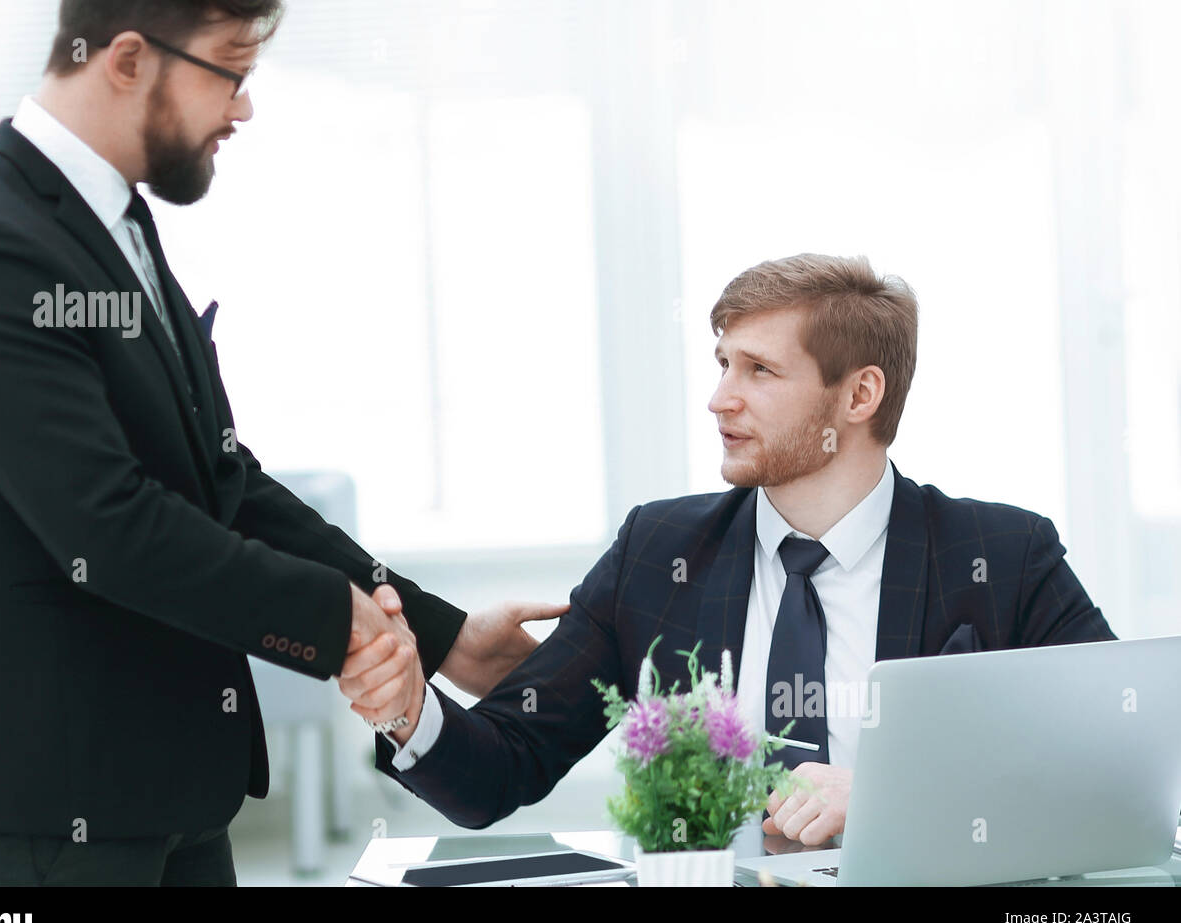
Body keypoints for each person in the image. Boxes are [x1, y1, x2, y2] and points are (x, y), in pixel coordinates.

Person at [0, 0, 562, 885]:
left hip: (166, 794)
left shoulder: (110, 223)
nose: (242, 109)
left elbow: (220, 481)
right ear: (127, 60)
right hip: (44, 810)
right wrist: (339, 622)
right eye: (231, 71)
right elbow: (110, 528)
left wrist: (446, 638)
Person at [370, 253, 1116, 846]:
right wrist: (406, 710)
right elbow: (504, 765)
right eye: (723, 363)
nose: (721, 398)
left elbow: (1114, 761)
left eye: (759, 371)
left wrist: (902, 798)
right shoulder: (658, 552)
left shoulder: (1003, 554)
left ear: (859, 397)